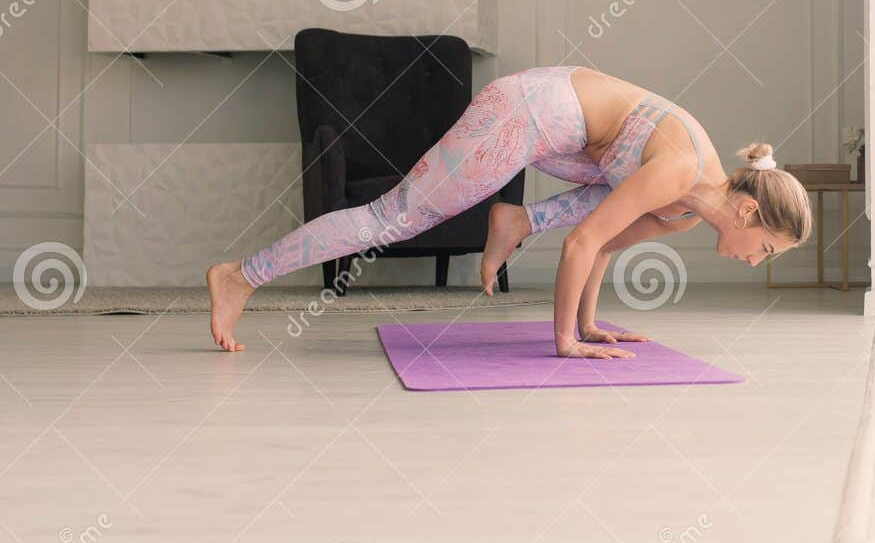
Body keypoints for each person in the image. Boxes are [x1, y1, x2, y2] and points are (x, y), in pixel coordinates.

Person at [205, 67, 813, 357]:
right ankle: (240, 275)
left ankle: (515, 220)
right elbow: (580, 244)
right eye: (766, 250)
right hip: (522, 113)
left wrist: (591, 323)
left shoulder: (683, 211)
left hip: (566, 142)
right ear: (747, 211)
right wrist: (565, 342)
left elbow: (601, 244)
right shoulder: (682, 170)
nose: (757, 261)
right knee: (391, 218)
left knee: (607, 200)